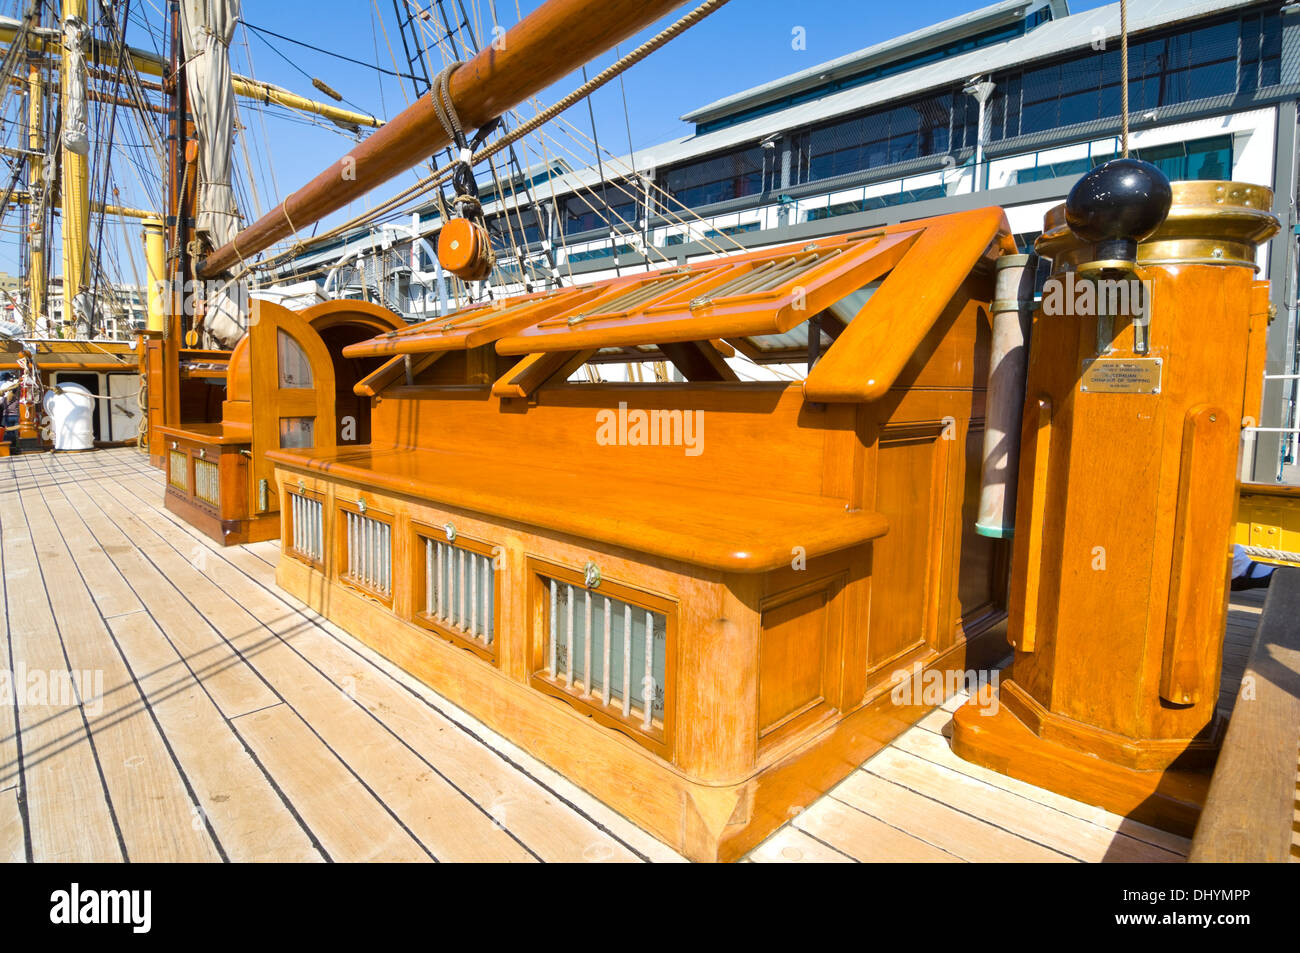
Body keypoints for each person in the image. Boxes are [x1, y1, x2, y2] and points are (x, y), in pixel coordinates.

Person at [0, 371, 19, 453]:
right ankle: (15, 448)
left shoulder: (4, 398)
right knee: (15, 434)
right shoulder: (16, 397)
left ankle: (9, 449)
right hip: (15, 415)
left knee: (7, 433)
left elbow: (1, 405)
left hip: (6, 416)